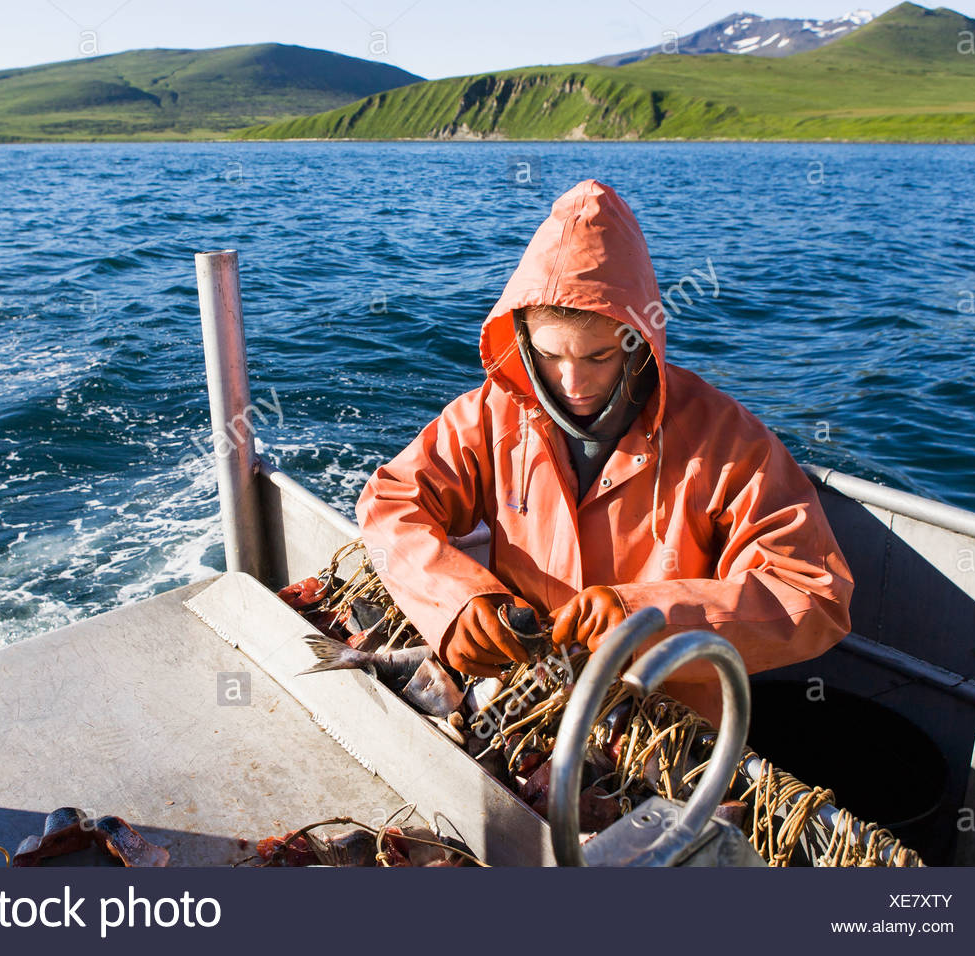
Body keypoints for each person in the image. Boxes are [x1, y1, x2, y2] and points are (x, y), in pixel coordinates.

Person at [355, 179, 853, 725]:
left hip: (662, 734)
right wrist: (455, 602)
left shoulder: (728, 442)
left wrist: (643, 621)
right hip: (520, 708)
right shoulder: (490, 415)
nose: (572, 382)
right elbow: (390, 504)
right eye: (549, 355)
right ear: (521, 339)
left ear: (638, 339)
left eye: (598, 356)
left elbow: (813, 595)